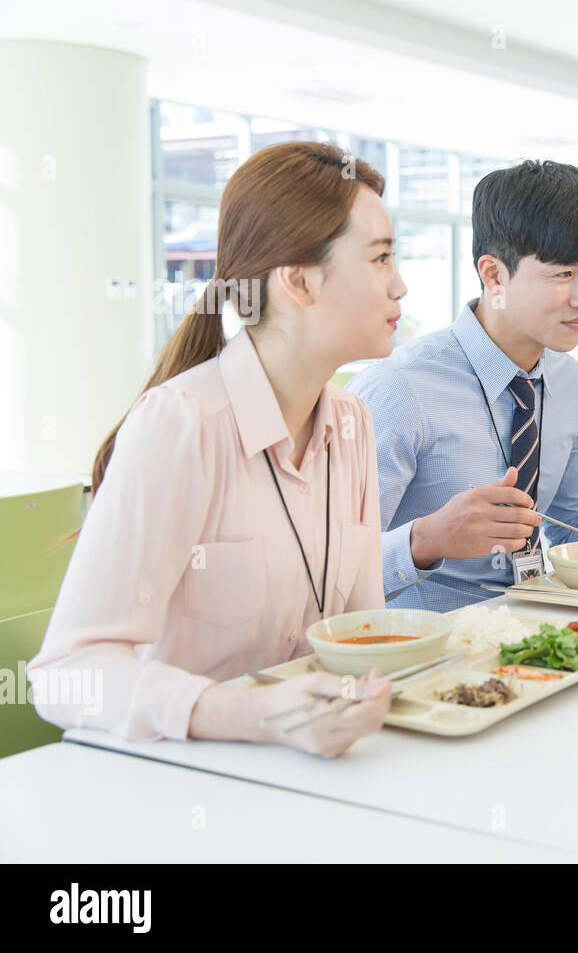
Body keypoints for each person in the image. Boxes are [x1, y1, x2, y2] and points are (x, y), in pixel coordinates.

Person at [29, 142, 402, 759]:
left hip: (309, 772)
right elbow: (67, 673)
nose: (400, 285)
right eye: (381, 258)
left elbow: (362, 637)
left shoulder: (352, 422)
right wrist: (255, 715)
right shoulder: (182, 424)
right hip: (170, 781)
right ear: (298, 281)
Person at [349, 160, 578, 611]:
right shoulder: (400, 390)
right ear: (494, 276)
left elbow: (572, 522)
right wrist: (424, 540)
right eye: (563, 274)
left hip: (539, 624)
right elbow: (331, 570)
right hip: (428, 641)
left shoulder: (568, 382)